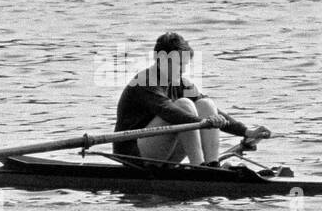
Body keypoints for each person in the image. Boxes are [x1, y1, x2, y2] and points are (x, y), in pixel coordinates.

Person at [114, 32, 269, 167]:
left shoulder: (180, 83)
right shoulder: (145, 81)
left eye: (185, 64)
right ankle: (199, 167)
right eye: (179, 64)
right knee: (184, 104)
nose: (184, 70)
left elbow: (214, 112)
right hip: (134, 155)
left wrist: (246, 131)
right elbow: (169, 112)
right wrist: (205, 122)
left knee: (206, 104)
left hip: (160, 150)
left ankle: (212, 165)